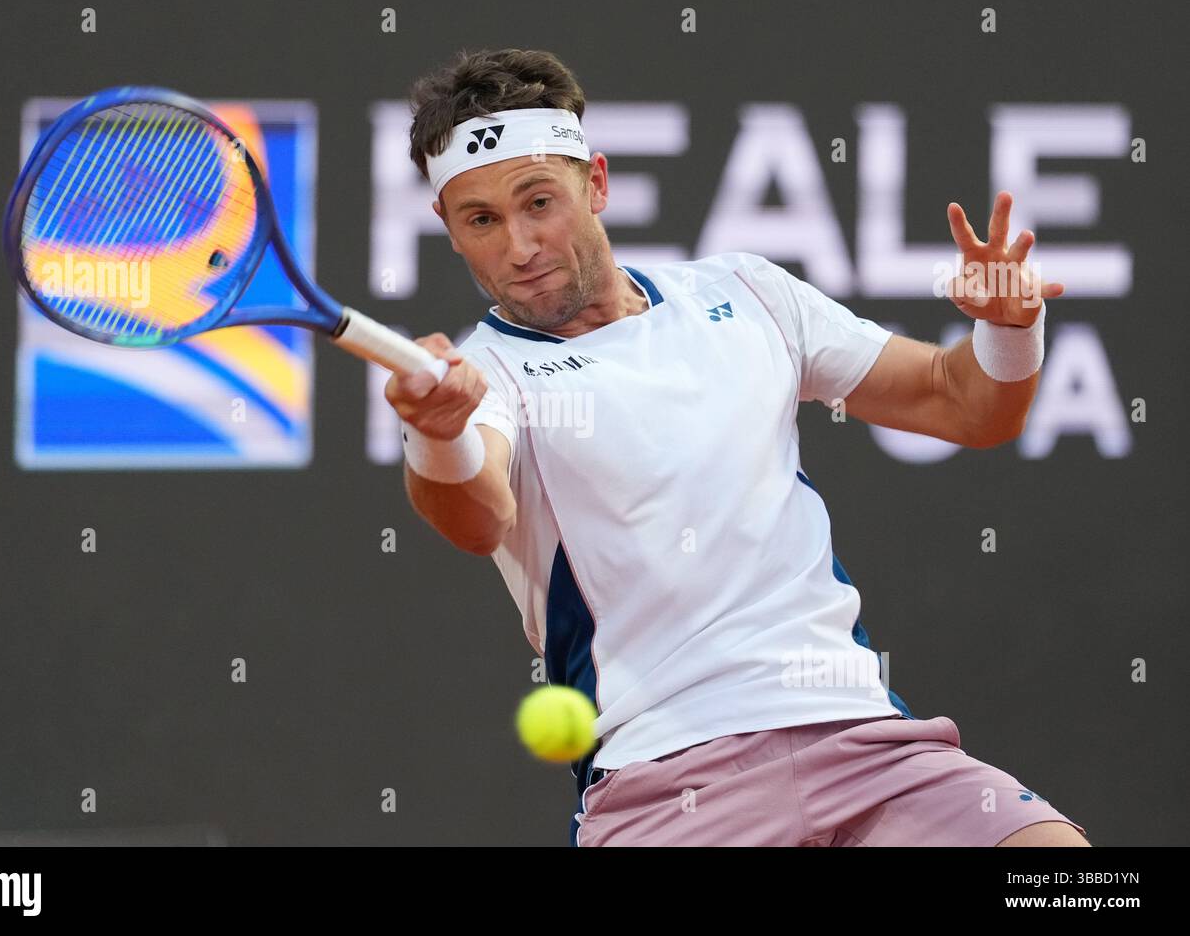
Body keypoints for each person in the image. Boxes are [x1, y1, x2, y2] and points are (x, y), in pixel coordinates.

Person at [386, 48, 1087, 847]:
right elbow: (477, 519)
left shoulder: (744, 293)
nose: (519, 247)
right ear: (450, 231)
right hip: (666, 786)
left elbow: (964, 405)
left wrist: (1007, 327)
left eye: (538, 201)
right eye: (482, 220)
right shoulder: (487, 372)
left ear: (597, 184)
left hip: (865, 744)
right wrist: (438, 435)